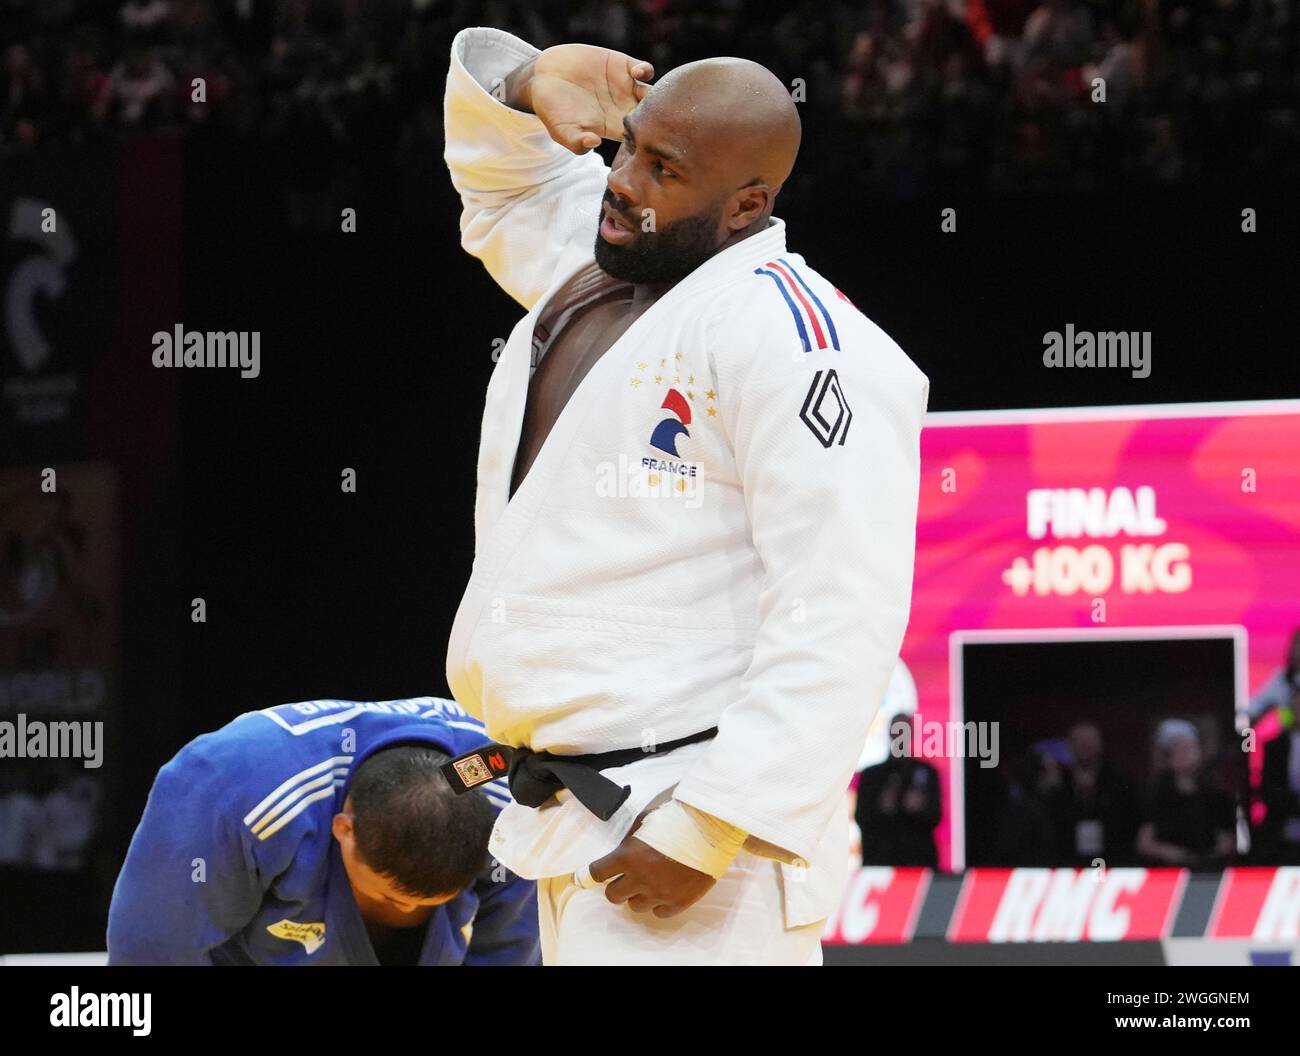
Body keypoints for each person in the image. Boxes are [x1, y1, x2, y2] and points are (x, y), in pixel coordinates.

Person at [443, 28, 928, 964]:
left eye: (664, 168)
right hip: (574, 819)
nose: (624, 181)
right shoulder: (599, 277)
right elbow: (506, 190)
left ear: (747, 204)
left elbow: (841, 605)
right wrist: (526, 80)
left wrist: (712, 824)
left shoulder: (801, 339)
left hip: (693, 833)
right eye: (629, 145)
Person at [108, 696, 540, 965]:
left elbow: (508, 950)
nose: (408, 917)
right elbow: (150, 954)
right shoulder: (229, 786)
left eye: (433, 904)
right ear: (344, 830)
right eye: (390, 898)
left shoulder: (513, 787)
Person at [1136, 719, 1235, 871]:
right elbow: (1144, 843)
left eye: (1190, 748)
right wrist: (1169, 853)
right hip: (1166, 874)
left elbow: (1227, 841)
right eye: (1178, 749)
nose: (1185, 755)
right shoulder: (1155, 796)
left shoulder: (1215, 796)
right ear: (1168, 757)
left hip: (1208, 872)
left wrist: (1208, 857)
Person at [1044, 721, 1139, 868]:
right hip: (1067, 863)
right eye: (1079, 742)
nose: (1084, 747)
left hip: (1114, 862)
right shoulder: (1058, 782)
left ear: (1099, 744)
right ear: (1069, 745)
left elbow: (1130, 822)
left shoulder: (1120, 781)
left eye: (1089, 742)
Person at [855, 714, 941, 868]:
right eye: (898, 730)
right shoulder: (871, 776)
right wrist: (882, 808)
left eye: (905, 730)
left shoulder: (927, 772)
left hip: (917, 860)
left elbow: (936, 816)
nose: (901, 735)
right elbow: (862, 817)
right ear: (889, 732)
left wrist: (919, 809)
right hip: (880, 861)